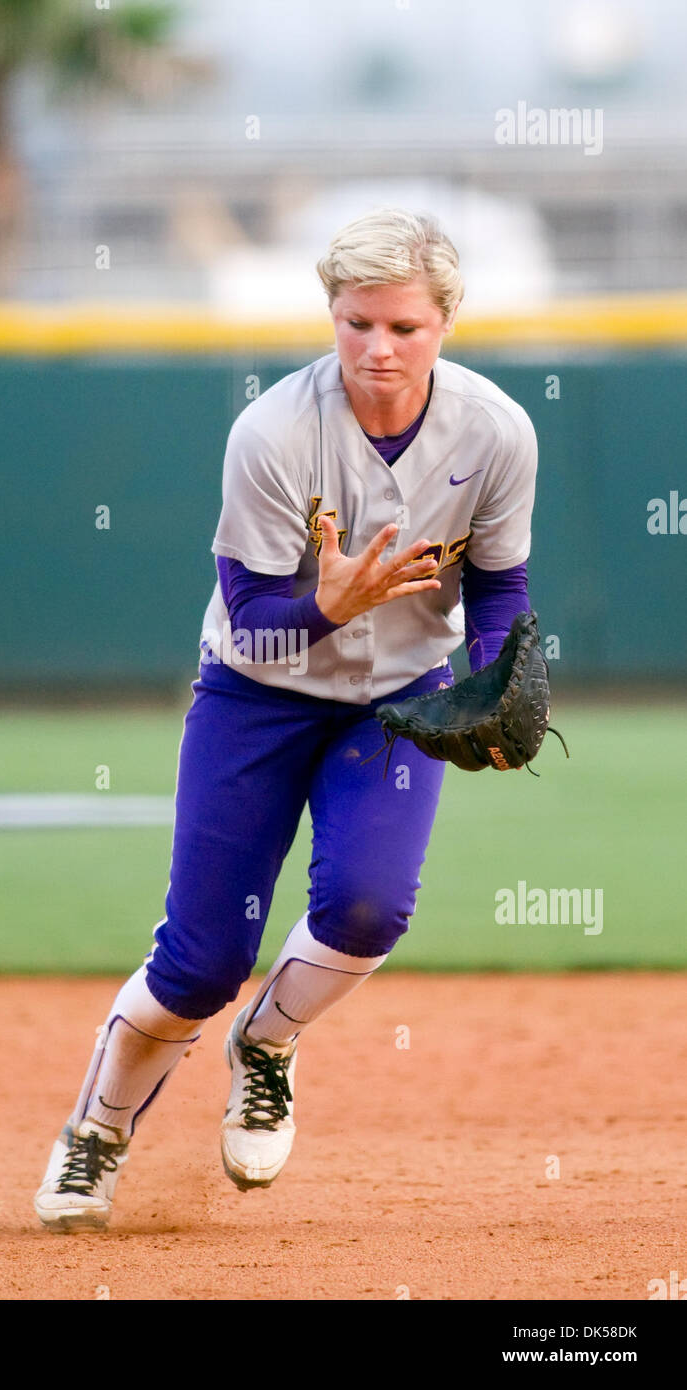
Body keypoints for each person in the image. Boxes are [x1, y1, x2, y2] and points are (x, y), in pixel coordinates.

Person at [34, 207, 537, 1231]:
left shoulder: (493, 431)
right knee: (200, 960)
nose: (375, 348)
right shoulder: (271, 433)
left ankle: (264, 1044)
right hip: (255, 697)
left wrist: (491, 678)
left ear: (444, 320)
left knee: (367, 905)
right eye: (354, 323)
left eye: (400, 325)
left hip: (395, 703)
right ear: (330, 316)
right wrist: (332, 604)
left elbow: (498, 585)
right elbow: (255, 630)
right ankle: (97, 1132)